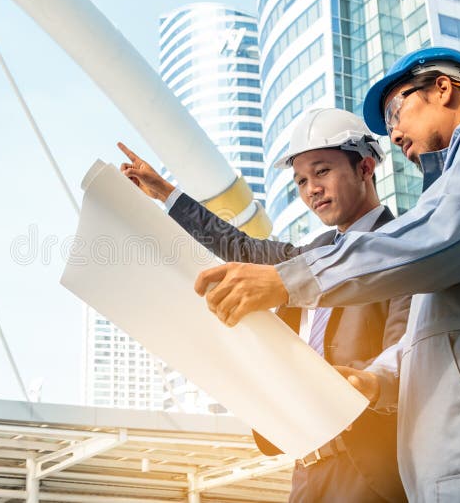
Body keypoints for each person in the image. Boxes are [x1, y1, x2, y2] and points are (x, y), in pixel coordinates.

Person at [195, 47, 460, 501]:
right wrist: (378, 380)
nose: (393, 132)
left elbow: (438, 236)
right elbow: (424, 336)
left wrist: (289, 282)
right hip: (451, 456)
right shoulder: (437, 226)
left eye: (395, 110)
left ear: (443, 88)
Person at [119, 107, 408, 503]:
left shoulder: (407, 250)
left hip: (369, 470)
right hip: (306, 469)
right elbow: (241, 248)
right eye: (301, 181)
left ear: (365, 168)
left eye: (322, 172)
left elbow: (404, 359)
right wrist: (166, 194)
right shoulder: (312, 254)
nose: (311, 190)